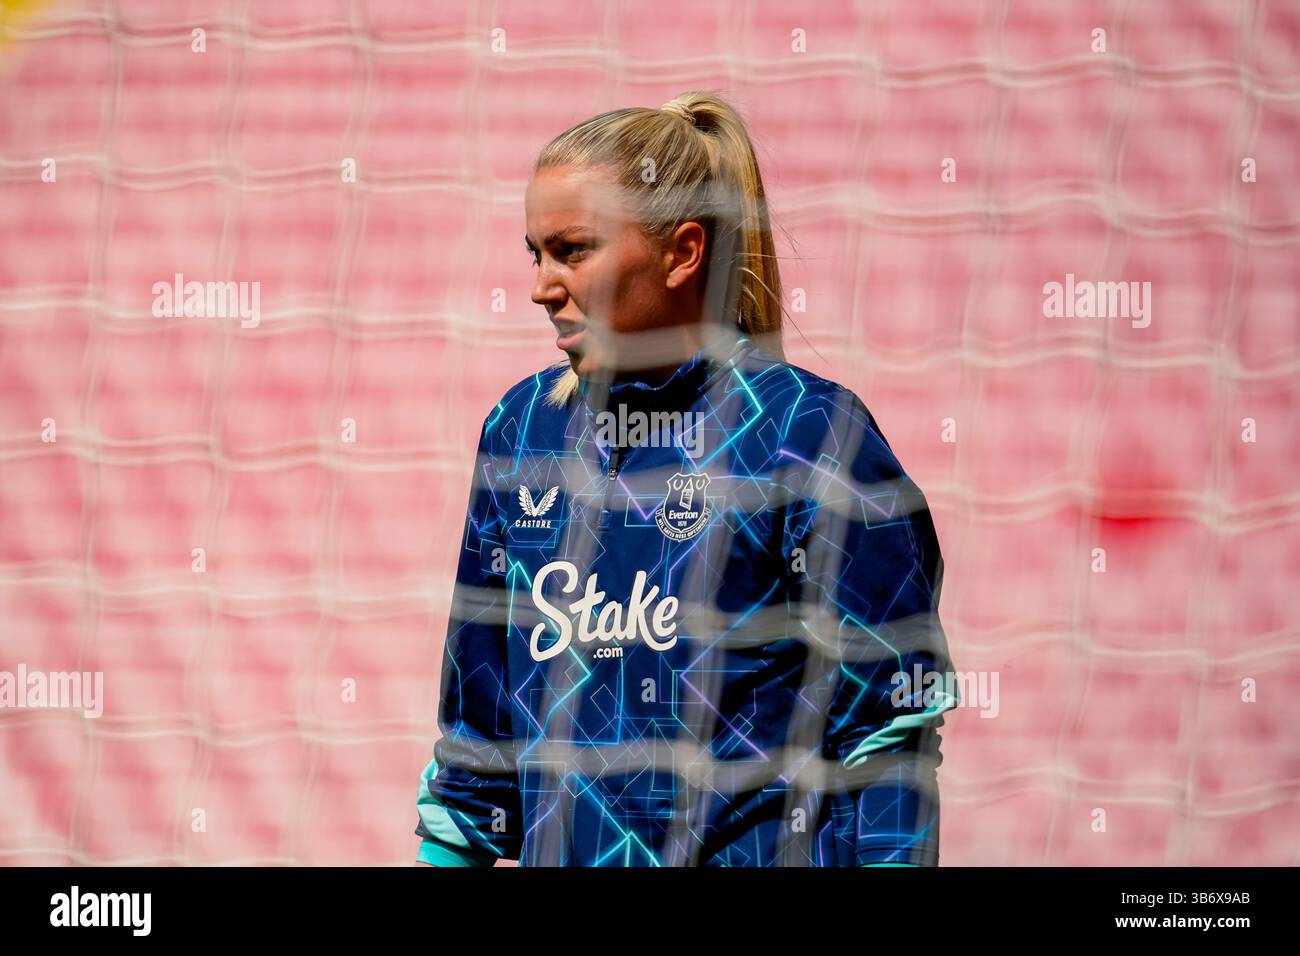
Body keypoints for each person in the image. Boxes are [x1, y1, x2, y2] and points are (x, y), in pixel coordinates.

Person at [415, 91, 960, 867]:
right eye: (535, 253)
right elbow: (479, 751)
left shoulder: (809, 434)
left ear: (683, 252)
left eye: (573, 250)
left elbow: (888, 742)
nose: (542, 285)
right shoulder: (522, 430)